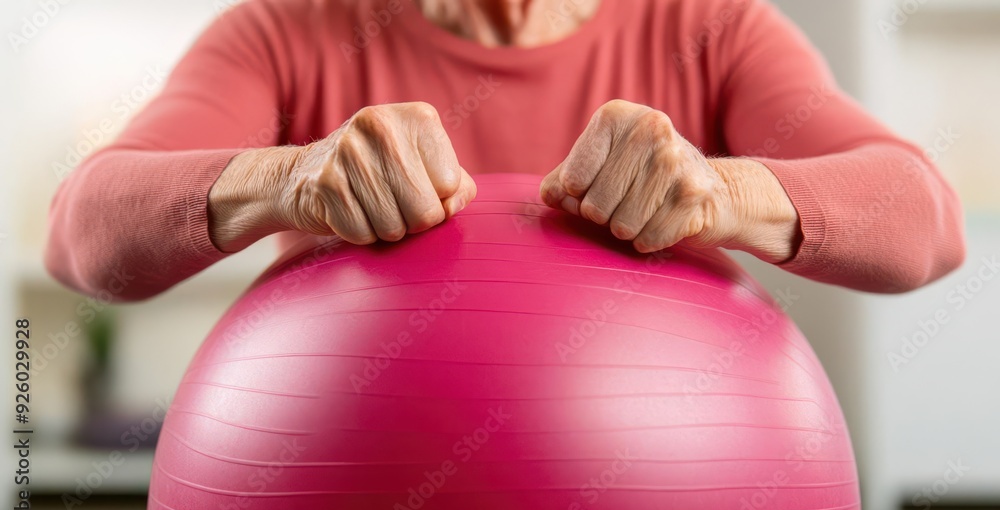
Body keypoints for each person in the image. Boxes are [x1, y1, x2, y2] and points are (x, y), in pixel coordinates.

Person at [44, 0, 965, 300]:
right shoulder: (287, 28)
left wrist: (718, 192)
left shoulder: (710, 26)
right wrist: (291, 176)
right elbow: (82, 229)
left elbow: (923, 214)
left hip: (655, 495)